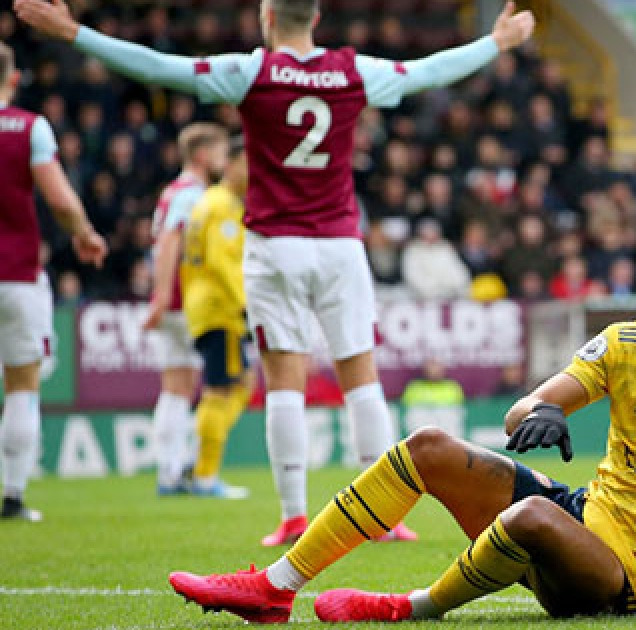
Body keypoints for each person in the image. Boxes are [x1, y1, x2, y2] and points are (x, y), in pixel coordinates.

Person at [16, 0, 535, 544]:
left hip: (274, 245)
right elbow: (432, 70)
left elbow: (155, 67)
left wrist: (73, 32)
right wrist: (494, 43)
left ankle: (292, 516)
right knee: (361, 377)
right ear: (314, 19)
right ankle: (384, 518)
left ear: (267, 19)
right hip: (338, 244)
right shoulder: (352, 71)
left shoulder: (251, 72)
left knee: (284, 382)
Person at [165, 231, 636, 623]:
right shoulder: (629, 345)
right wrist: (542, 409)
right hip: (587, 518)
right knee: (430, 446)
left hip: (635, 581)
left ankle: (410, 608)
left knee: (531, 514)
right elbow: (520, 410)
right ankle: (274, 589)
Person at [0, 42, 107, 522]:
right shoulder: (28, 127)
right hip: (19, 275)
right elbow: (60, 199)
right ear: (15, 78)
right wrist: (84, 234)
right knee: (22, 384)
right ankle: (14, 496)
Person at [145, 122, 229, 497]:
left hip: (175, 299)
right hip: (184, 300)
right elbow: (170, 240)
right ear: (202, 155)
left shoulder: (172, 192)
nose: (225, 160)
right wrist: (163, 295)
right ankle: (181, 471)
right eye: (220, 152)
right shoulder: (192, 195)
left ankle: (171, 472)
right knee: (187, 385)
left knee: (177, 386)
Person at [179, 137, 253, 499]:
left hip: (206, 304)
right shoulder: (222, 205)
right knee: (219, 389)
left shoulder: (209, 202)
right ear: (232, 164)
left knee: (243, 383)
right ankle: (205, 474)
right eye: (249, 165)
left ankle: (201, 463)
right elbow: (222, 262)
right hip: (220, 307)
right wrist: (247, 305)